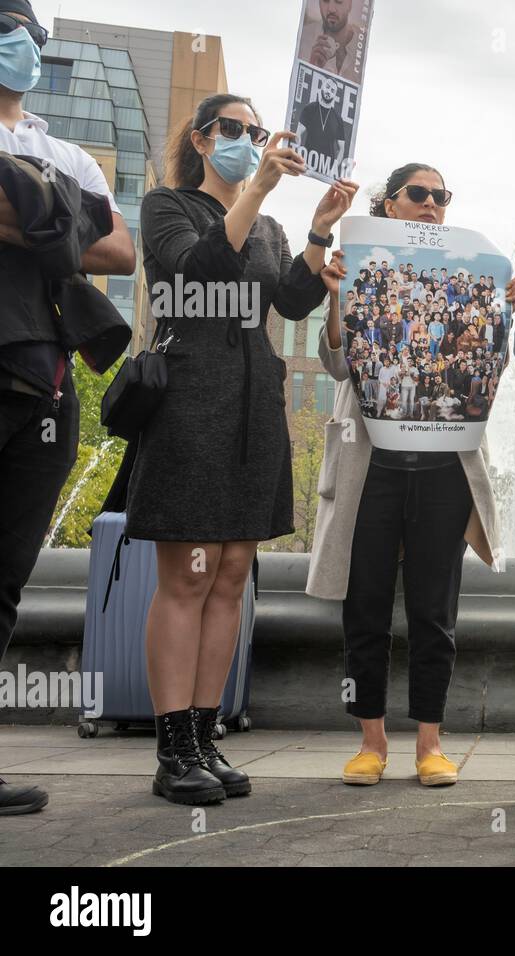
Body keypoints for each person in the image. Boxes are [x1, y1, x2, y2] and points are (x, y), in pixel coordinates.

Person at [131, 93, 356, 805]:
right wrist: (257, 184)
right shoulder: (166, 207)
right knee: (188, 576)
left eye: (255, 131)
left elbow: (289, 303)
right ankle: (173, 752)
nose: (248, 140)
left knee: (231, 574)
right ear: (201, 141)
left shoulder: (271, 226)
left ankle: (204, 734)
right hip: (192, 404)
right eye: (232, 130)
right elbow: (200, 272)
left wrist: (318, 232)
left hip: (254, 407)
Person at [308, 163, 515, 787]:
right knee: (365, 606)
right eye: (418, 195)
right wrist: (337, 295)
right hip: (371, 464)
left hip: (444, 467)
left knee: (434, 611)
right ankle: (370, 740)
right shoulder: (356, 266)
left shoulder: (468, 275)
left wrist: (500, 314)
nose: (431, 205)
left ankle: (430, 742)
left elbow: (490, 373)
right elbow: (338, 364)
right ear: (389, 206)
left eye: (441, 197)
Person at [0, 0, 136, 816]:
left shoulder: (67, 153)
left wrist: (29, 211)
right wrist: (52, 225)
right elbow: (80, 238)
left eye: (26, 30)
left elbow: (118, 250)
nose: (18, 41)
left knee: (6, 577)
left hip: (42, 377)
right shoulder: (67, 175)